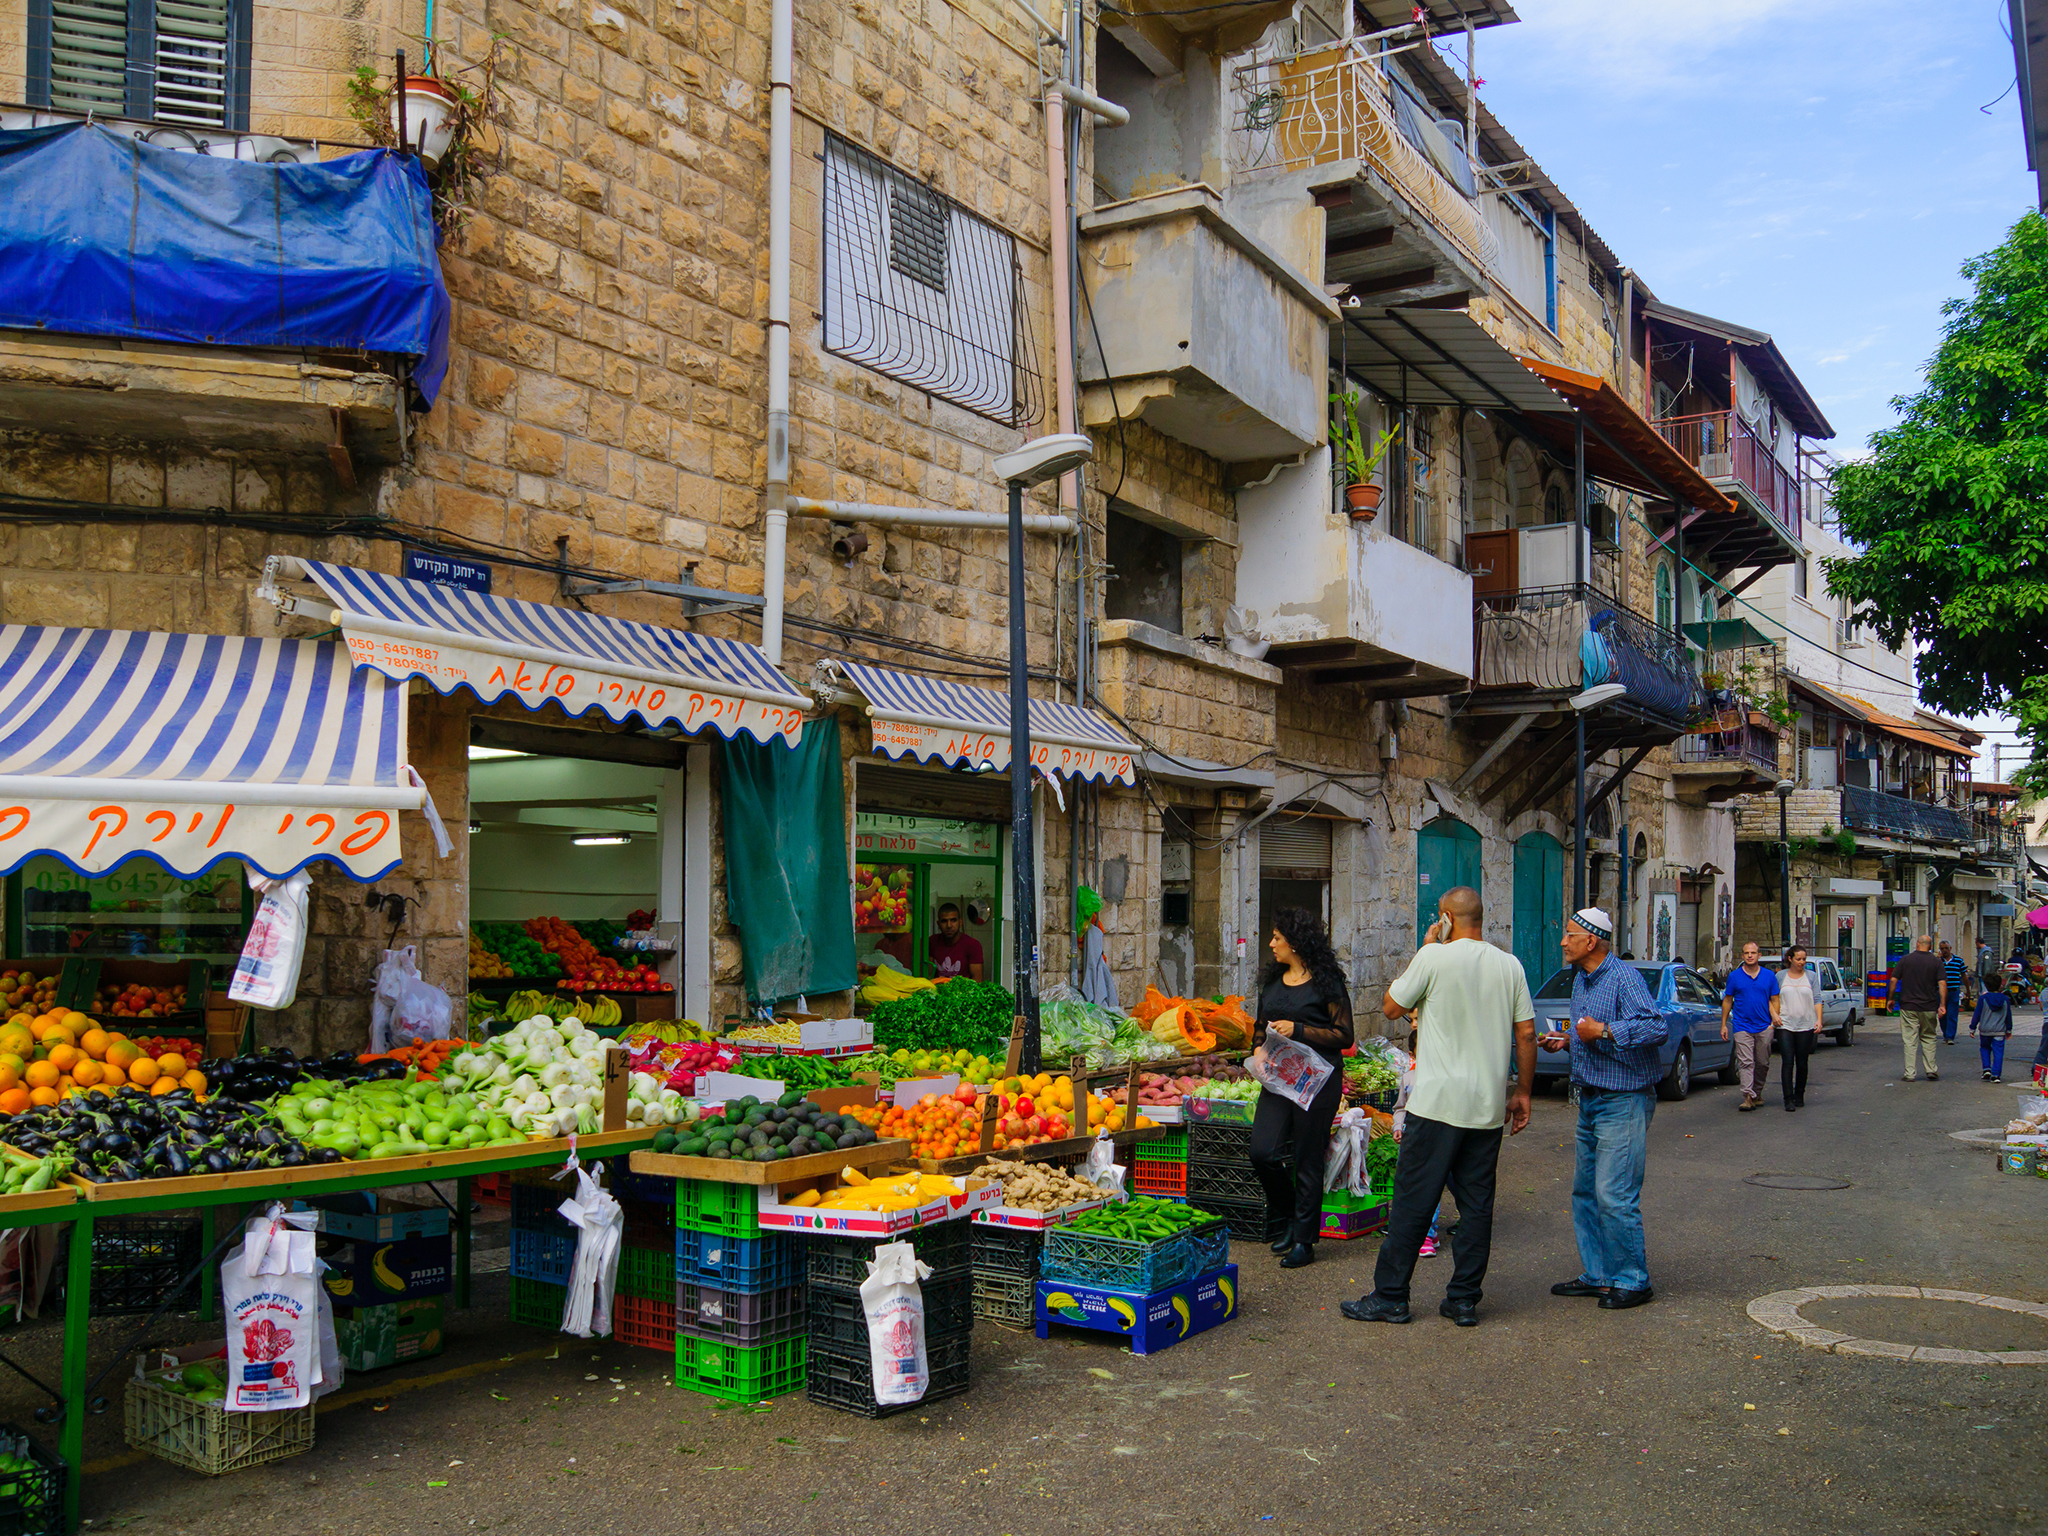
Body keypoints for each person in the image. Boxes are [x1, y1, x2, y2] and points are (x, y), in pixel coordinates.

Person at [1340, 887, 1535, 1328]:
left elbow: (1391, 1007)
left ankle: (1391, 1297)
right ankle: (1463, 1300)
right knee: (1477, 1206)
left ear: (1446, 918)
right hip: (1485, 1110)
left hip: (1435, 1106)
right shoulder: (1511, 965)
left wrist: (1426, 948)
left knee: (1413, 1201)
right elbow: (1525, 1034)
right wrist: (1522, 1092)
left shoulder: (1433, 956)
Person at [1541, 908, 1667, 1310]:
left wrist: (1606, 1030)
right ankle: (1598, 1275)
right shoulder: (1582, 979)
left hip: (1623, 1100)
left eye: (1570, 934)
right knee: (1585, 1192)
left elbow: (1656, 1026)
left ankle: (1633, 1279)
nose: (1563, 941)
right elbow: (1588, 1032)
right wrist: (1568, 1041)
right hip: (1591, 1099)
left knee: (1614, 1194)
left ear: (1591, 941)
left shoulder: (1624, 978)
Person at [1247, 908, 1354, 1270]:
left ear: (1296, 941)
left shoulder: (1327, 982)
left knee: (1308, 1159)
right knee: (1262, 1152)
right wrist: (1258, 1052)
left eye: (1278, 937)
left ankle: (1304, 1241)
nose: (1272, 943)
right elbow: (1260, 1027)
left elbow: (1344, 1035)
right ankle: (1293, 1216)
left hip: (1318, 1082)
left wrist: (1301, 1030)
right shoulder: (1274, 981)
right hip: (1279, 1080)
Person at [1720, 940, 1780, 1111]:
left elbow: (1775, 999)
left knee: (1762, 1062)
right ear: (1743, 955)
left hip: (1763, 1025)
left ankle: (1757, 1092)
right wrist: (1724, 1024)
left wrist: (1772, 1023)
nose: (1750, 956)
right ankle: (1747, 1096)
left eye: (1753, 953)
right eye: (1746, 953)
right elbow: (1727, 1000)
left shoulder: (1769, 976)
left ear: (1759, 955)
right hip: (1742, 1025)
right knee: (1746, 1062)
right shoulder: (1735, 976)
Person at [1892, 935, 1944, 1082]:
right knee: (1929, 1037)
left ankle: (1910, 1073)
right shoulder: (1936, 962)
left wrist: (1890, 999)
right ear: (1930, 945)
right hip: (1929, 1006)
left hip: (1908, 1005)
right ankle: (1931, 1069)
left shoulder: (1905, 960)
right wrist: (1943, 1005)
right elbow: (1942, 984)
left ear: (1917, 944)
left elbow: (1893, 980)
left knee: (1910, 1040)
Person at [1777, 946, 1820, 1112]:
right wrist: (1774, 1015)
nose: (1802, 962)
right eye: (1798, 959)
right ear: (1790, 959)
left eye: (1804, 959)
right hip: (1785, 1023)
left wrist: (1819, 1020)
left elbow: (1817, 999)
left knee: (1802, 1062)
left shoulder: (1811, 977)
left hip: (1805, 1023)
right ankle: (1788, 1099)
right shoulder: (1781, 976)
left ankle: (1799, 1094)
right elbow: (1773, 997)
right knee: (1788, 1061)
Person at [1971, 971, 2015, 1082]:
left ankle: (1986, 1069)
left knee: (1985, 1048)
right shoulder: (2005, 999)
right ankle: (1996, 1074)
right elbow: (2008, 1015)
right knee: (1998, 1051)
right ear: (2000, 985)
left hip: (1985, 1030)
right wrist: (2009, 1029)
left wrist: (1972, 1027)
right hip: (1999, 1030)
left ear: (1986, 985)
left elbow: (1977, 1014)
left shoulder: (1983, 999)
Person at [926, 904, 984, 981]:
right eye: (944, 921)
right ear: (938, 924)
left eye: (953, 920)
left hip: (964, 991)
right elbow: (928, 975)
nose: (949, 925)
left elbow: (977, 979)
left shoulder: (973, 945)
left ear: (960, 922)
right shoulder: (932, 941)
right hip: (937, 989)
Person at [1939, 941, 1967, 1043]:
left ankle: (1950, 1037)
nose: (1944, 950)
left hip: (1954, 991)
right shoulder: (1938, 961)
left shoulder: (1959, 961)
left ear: (1950, 948)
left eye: (1946, 948)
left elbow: (1964, 975)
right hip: (1941, 993)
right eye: (1942, 949)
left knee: (1952, 1014)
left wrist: (1967, 990)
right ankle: (1945, 1034)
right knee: (1942, 1015)